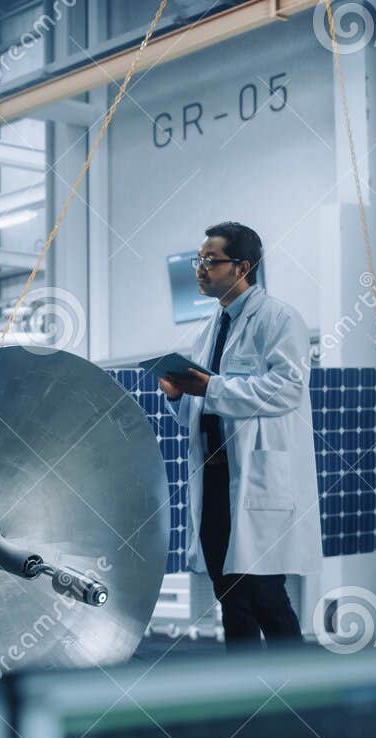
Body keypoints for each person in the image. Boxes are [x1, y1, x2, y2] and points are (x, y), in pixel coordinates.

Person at [158, 221, 321, 646]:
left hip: (255, 478)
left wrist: (209, 388)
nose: (200, 268)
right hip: (214, 481)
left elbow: (286, 390)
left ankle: (301, 694)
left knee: (265, 595)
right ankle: (247, 697)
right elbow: (203, 408)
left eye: (210, 261)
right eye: (199, 260)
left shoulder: (280, 320)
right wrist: (179, 397)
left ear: (241, 267)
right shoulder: (207, 330)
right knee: (230, 597)